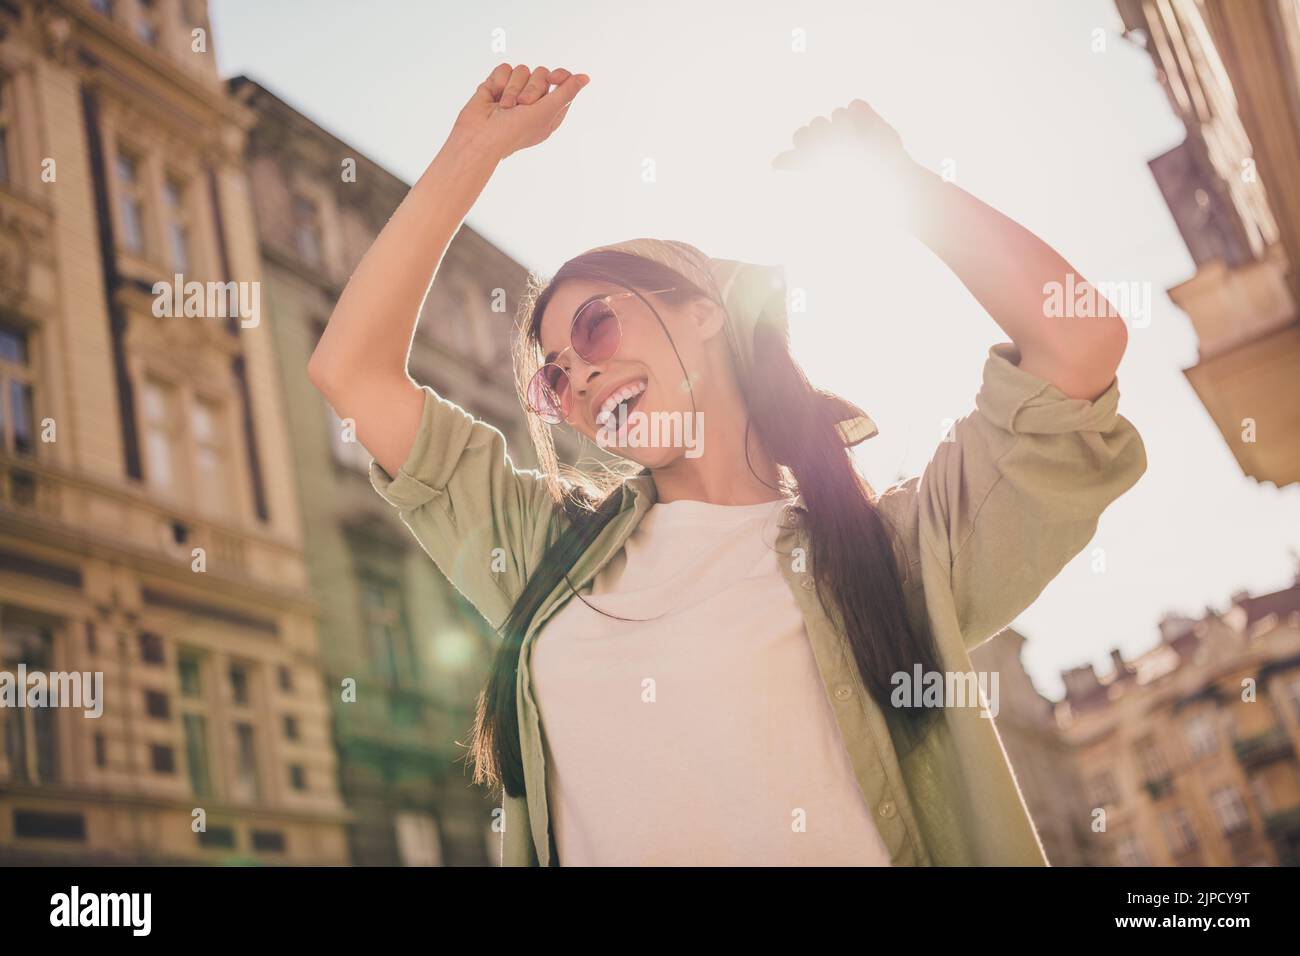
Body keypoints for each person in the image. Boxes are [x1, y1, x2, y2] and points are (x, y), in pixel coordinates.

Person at [308, 63, 1147, 866]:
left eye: (597, 327)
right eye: (554, 380)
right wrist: (473, 150)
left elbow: (1078, 345)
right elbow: (352, 372)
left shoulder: (888, 554)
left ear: (705, 312)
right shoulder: (540, 557)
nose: (580, 378)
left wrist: (902, 184)